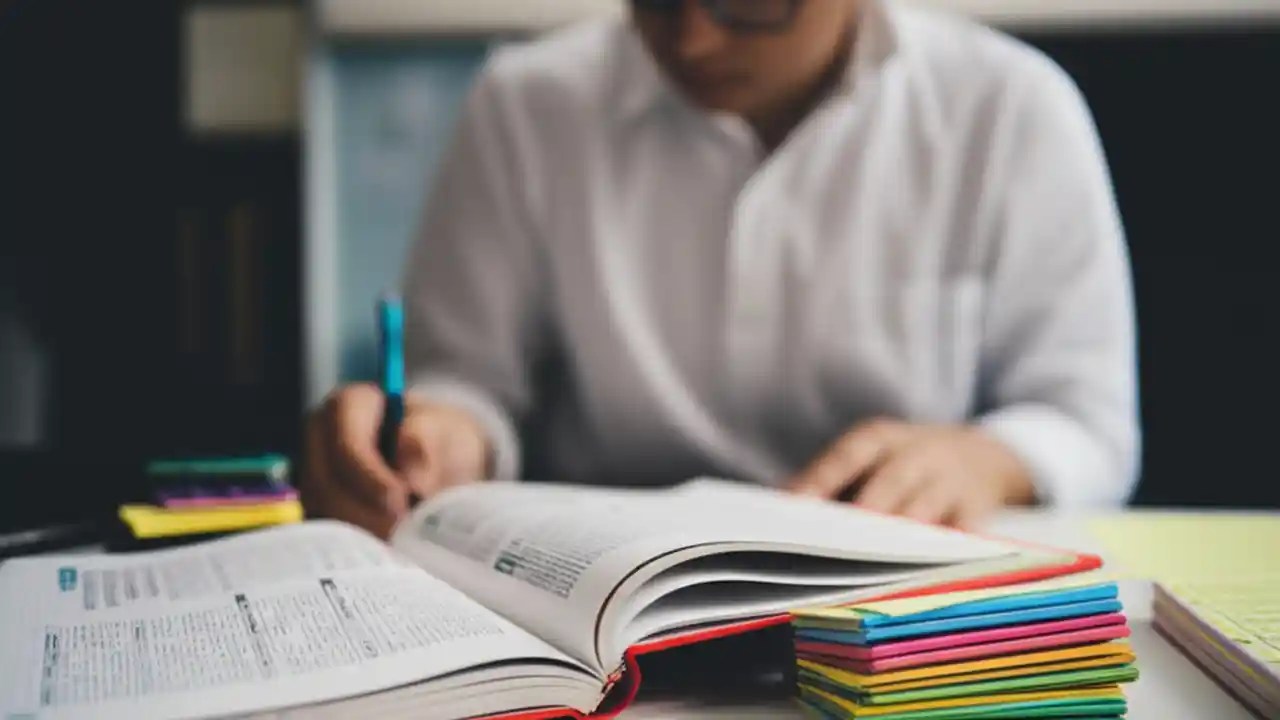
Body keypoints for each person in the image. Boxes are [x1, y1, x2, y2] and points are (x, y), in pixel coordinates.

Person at [302, 0, 1139, 539]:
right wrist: (442, 435)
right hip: (595, 605)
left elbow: (1088, 421)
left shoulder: (1011, 109)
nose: (693, 37)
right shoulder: (526, 105)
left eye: (752, 2)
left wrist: (989, 457)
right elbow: (470, 382)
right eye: (657, 0)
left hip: (906, 615)